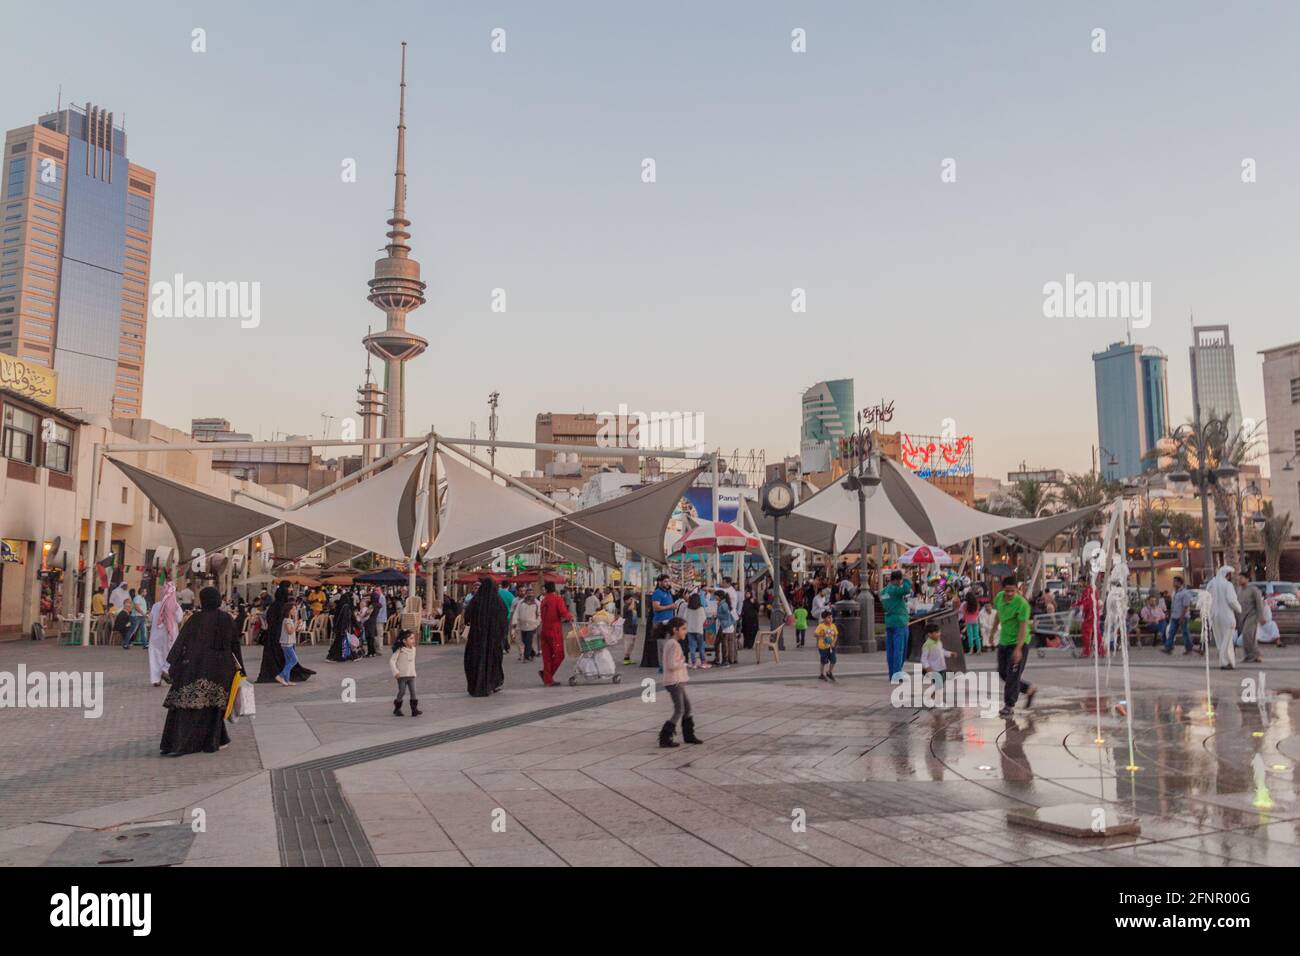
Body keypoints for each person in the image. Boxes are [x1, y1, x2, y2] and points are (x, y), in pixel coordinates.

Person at [160, 587, 245, 756]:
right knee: (213, 707)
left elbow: (180, 643)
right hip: (220, 670)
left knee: (186, 706)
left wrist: (172, 664)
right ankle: (213, 740)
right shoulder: (226, 619)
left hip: (193, 669)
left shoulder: (195, 619)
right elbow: (235, 645)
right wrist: (242, 669)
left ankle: (177, 743)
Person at [994, 575, 1036, 716]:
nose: (1010, 594)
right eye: (1007, 591)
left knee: (1012, 675)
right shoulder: (999, 597)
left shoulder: (1022, 604)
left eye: (1013, 591)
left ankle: (1009, 705)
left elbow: (1023, 628)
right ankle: (1028, 689)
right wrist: (993, 630)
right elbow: (998, 614)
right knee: (1002, 673)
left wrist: (1018, 649)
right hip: (1004, 642)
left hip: (1019, 643)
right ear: (1003, 589)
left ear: (1017, 589)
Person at [657, 617, 702, 748]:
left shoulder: (672, 643)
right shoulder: (673, 644)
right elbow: (671, 665)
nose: (685, 632)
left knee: (686, 708)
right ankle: (665, 736)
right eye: (683, 629)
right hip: (674, 681)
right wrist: (683, 662)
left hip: (677, 680)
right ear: (674, 630)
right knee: (680, 709)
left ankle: (689, 735)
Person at [257, 584, 315, 682]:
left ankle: (285, 678)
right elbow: (286, 625)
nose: (291, 590)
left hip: (274, 638)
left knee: (286, 659)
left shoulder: (274, 605)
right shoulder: (284, 606)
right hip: (283, 638)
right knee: (290, 659)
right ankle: (282, 676)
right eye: (289, 588)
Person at [464, 577, 508, 696]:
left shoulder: (476, 600)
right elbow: (504, 620)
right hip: (493, 640)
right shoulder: (498, 602)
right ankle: (490, 684)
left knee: (475, 661)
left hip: (476, 639)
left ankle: (475, 686)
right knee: (492, 661)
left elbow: (466, 616)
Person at [1207, 565, 1242, 670]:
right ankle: (1226, 662)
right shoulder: (1227, 585)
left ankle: (1224, 661)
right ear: (1227, 575)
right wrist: (1239, 609)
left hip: (1214, 617)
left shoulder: (1211, 584)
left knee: (1220, 640)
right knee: (1227, 641)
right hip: (1227, 617)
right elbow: (1231, 600)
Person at [148, 582, 183, 686]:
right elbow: (179, 619)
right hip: (170, 635)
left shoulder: (156, 606)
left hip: (156, 636)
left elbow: (150, 619)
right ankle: (165, 670)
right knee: (169, 654)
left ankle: (156, 679)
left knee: (155, 656)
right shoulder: (176, 606)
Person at [539, 580, 573, 687]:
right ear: (555, 589)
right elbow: (563, 612)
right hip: (554, 630)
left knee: (547, 656)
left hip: (544, 629)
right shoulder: (557, 599)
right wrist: (571, 618)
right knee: (559, 655)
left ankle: (547, 679)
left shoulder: (544, 600)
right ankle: (547, 676)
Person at [880, 570, 913, 681]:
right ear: (897, 580)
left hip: (889, 622)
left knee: (891, 650)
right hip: (900, 622)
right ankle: (897, 674)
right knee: (900, 650)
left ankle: (892, 673)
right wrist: (907, 578)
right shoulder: (894, 589)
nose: (901, 583)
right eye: (900, 580)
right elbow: (907, 589)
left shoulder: (883, 591)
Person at [1236, 573, 1265, 664]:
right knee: (1248, 637)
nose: (1240, 580)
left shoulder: (1253, 590)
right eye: (1239, 578)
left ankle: (1254, 655)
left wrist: (1261, 617)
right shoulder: (1239, 591)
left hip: (1252, 616)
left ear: (1247, 579)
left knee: (1247, 634)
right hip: (1243, 617)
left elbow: (1259, 603)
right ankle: (1250, 656)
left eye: (1242, 578)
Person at [1161, 576, 1195, 655]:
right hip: (1174, 616)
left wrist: (1182, 617)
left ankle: (1189, 648)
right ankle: (1168, 647)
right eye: (1174, 581)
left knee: (1185, 633)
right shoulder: (1174, 592)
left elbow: (1186, 606)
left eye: (1175, 581)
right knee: (1171, 631)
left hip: (1182, 616)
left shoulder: (1185, 593)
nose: (1174, 583)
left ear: (1180, 582)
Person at [391, 628, 420, 716]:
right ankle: (397, 707)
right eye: (410, 638)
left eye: (413, 638)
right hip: (401, 675)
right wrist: (395, 672)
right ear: (404, 641)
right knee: (402, 691)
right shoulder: (400, 650)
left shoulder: (414, 649)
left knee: (413, 691)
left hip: (411, 674)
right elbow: (392, 661)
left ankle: (414, 710)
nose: (413, 640)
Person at [1074, 575, 1103, 658]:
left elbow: (1087, 603)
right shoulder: (1091, 589)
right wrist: (1076, 605)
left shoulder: (1088, 590)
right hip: (1093, 614)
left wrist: (1078, 607)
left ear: (1085, 582)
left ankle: (1087, 651)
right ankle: (1100, 651)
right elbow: (1084, 601)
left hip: (1090, 614)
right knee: (1096, 632)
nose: (1079, 584)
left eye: (1080, 582)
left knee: (1086, 632)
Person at [920, 621, 954, 687]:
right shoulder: (927, 645)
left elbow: (941, 651)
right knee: (939, 682)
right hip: (934, 668)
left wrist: (950, 653)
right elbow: (923, 659)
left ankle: (935, 692)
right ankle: (934, 693)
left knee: (943, 679)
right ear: (929, 634)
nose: (939, 634)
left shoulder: (938, 642)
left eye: (939, 632)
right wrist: (927, 668)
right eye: (936, 633)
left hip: (941, 666)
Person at [326, 590, 357, 662]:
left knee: (339, 642)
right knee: (342, 642)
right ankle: (337, 657)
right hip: (343, 629)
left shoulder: (340, 607)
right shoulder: (347, 607)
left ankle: (333, 656)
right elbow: (347, 619)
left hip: (339, 628)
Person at [512, 588, 541, 661]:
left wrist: (536, 623)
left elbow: (540, 614)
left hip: (532, 625)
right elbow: (516, 612)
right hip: (522, 625)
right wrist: (514, 622)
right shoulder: (521, 602)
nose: (530, 595)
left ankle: (526, 656)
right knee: (524, 640)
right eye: (528, 593)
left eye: (531, 593)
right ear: (526, 594)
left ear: (533, 594)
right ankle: (532, 653)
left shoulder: (537, 603)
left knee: (528, 640)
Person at [683, 592, 710, 668]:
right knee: (701, 647)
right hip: (699, 630)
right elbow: (704, 619)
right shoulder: (701, 609)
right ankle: (703, 662)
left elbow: (684, 618)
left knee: (692, 647)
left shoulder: (687, 609)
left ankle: (693, 663)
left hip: (690, 630)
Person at [714, 590, 736, 667]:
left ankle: (725, 661)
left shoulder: (723, 605)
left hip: (726, 626)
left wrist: (717, 616)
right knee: (718, 643)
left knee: (723, 643)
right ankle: (719, 659)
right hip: (724, 626)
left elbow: (727, 616)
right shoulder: (722, 603)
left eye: (716, 595)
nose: (714, 597)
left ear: (719, 596)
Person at [815, 610, 838, 682]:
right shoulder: (821, 626)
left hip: (831, 647)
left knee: (833, 660)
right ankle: (821, 674)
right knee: (824, 661)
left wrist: (834, 642)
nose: (831, 619)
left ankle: (829, 672)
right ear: (824, 618)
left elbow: (836, 635)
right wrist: (822, 635)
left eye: (831, 617)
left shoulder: (833, 625)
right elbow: (815, 634)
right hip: (823, 647)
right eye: (829, 617)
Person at [621, 595, 639, 665]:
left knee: (632, 643)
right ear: (626, 600)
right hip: (628, 628)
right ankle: (626, 658)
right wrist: (633, 601)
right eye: (630, 599)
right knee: (628, 643)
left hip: (633, 627)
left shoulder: (633, 606)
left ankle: (628, 658)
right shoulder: (625, 606)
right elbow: (630, 608)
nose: (631, 600)